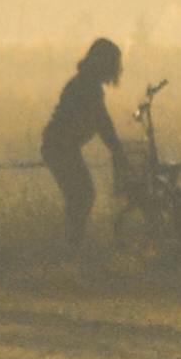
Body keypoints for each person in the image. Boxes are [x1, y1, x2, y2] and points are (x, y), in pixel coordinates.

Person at [41, 37, 125, 249]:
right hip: (60, 147)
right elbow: (102, 123)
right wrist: (117, 149)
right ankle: (71, 245)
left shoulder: (85, 82)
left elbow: (100, 122)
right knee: (82, 195)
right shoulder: (89, 87)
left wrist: (116, 147)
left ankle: (72, 244)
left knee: (80, 196)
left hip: (60, 146)